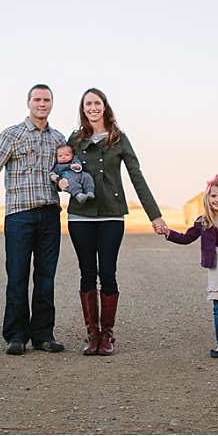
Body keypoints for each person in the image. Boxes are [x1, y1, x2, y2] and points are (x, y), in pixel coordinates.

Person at [0, 84, 68, 355]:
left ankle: (43, 334)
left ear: (52, 104)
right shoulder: (12, 135)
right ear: (28, 103)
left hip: (50, 215)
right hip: (19, 216)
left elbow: (71, 175)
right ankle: (16, 336)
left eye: (47, 100)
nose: (42, 104)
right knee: (17, 276)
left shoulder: (58, 139)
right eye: (37, 99)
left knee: (46, 278)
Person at [62, 87, 167, 356]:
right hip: (80, 216)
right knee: (87, 272)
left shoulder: (119, 139)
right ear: (82, 109)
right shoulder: (74, 139)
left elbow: (136, 176)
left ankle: (107, 335)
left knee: (107, 272)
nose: (93, 108)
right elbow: (59, 168)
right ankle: (92, 335)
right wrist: (62, 183)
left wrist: (155, 216)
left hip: (111, 214)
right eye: (88, 104)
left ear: (105, 107)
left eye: (97, 103)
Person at [161, 176, 218, 359]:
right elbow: (186, 238)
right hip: (216, 270)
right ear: (207, 198)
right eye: (213, 196)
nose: (217, 200)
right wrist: (168, 233)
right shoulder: (203, 221)